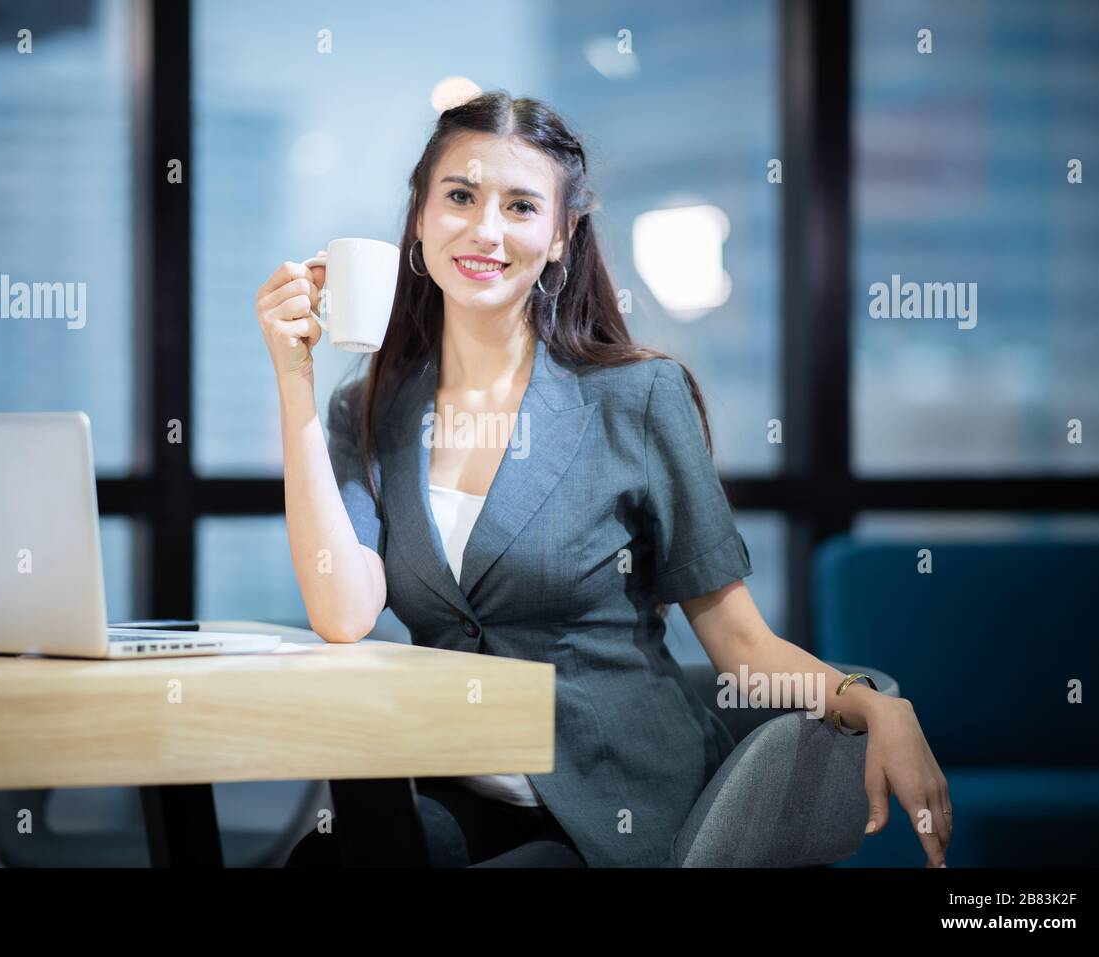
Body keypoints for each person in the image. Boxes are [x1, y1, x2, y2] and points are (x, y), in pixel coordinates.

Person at [257, 89, 950, 868]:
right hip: (456, 792)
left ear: (561, 235)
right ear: (421, 217)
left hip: (609, 809)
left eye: (521, 206)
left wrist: (872, 699)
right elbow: (344, 610)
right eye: (460, 197)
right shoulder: (373, 406)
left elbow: (741, 642)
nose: (485, 228)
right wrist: (294, 379)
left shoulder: (636, 398)